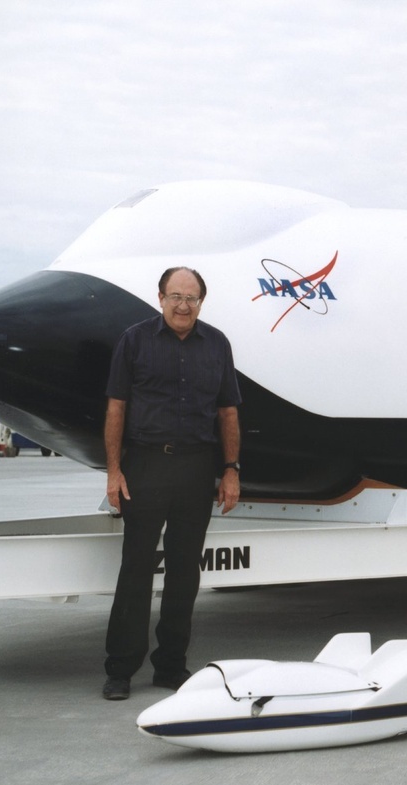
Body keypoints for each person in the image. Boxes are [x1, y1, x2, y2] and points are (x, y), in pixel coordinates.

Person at [101, 267, 242, 700]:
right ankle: (121, 669)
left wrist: (231, 468)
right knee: (136, 568)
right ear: (160, 297)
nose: (183, 305)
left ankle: (171, 666)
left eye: (192, 298)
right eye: (175, 296)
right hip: (144, 466)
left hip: (196, 469)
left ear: (202, 301)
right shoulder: (135, 340)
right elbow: (116, 408)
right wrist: (113, 470)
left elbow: (228, 413)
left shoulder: (216, 344)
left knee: (185, 572)